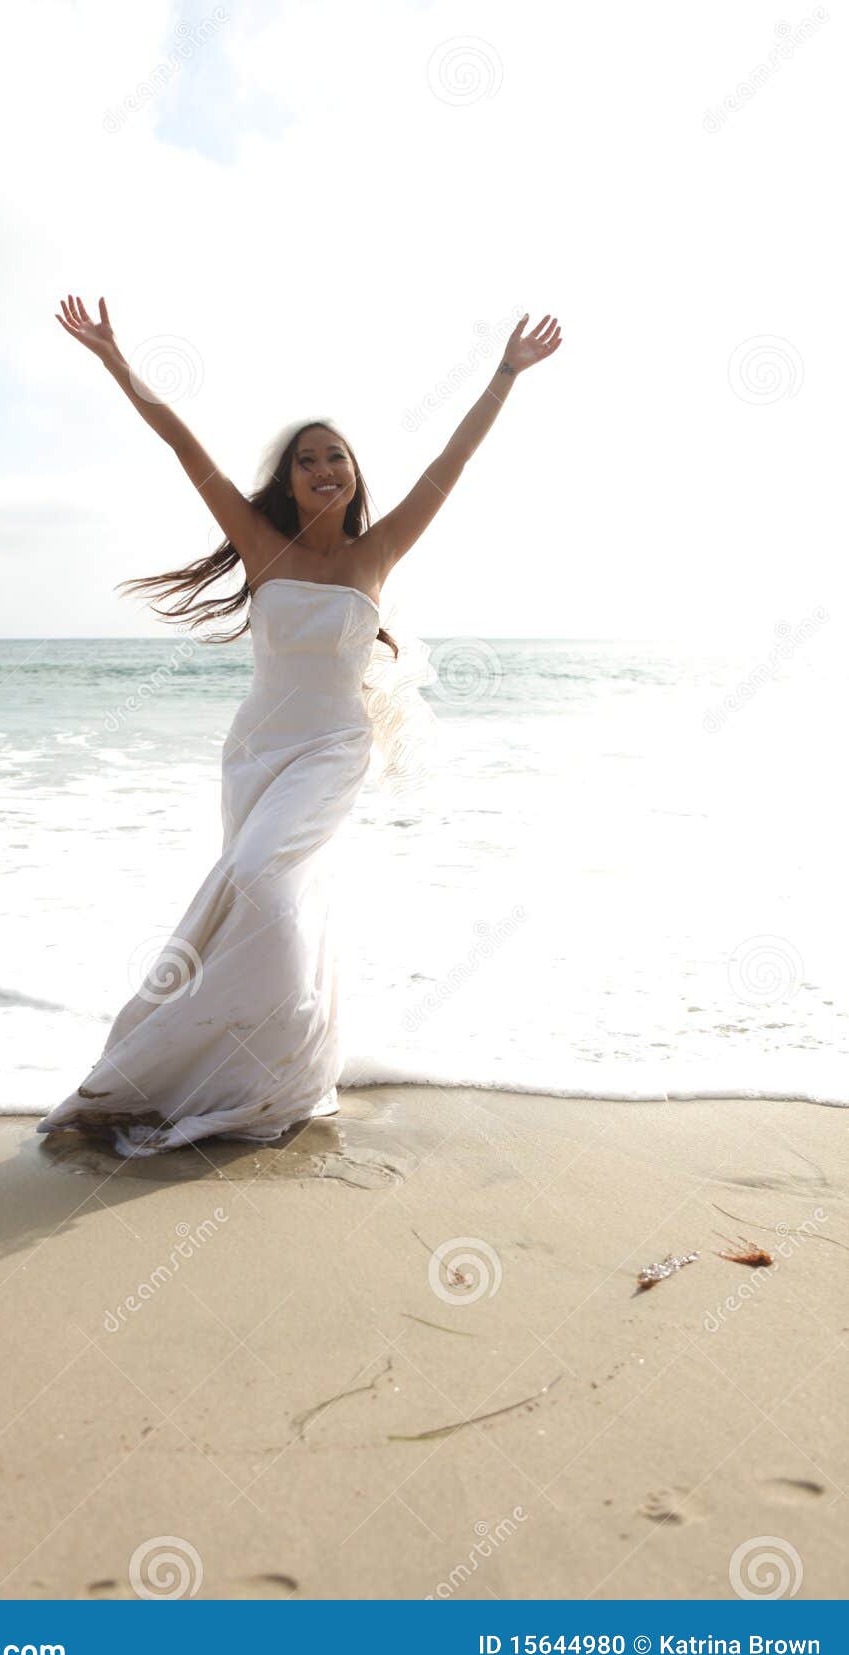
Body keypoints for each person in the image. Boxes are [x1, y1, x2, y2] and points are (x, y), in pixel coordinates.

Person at [36, 294, 562, 1157]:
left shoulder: (376, 552)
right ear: (287, 479)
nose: (325, 468)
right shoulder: (259, 545)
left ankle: (268, 1068)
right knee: (260, 900)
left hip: (330, 748)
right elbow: (181, 443)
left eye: (337, 458)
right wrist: (112, 359)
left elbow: (451, 459)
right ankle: (229, 1070)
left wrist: (502, 373)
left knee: (261, 880)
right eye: (308, 460)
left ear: (353, 475)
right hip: (253, 752)